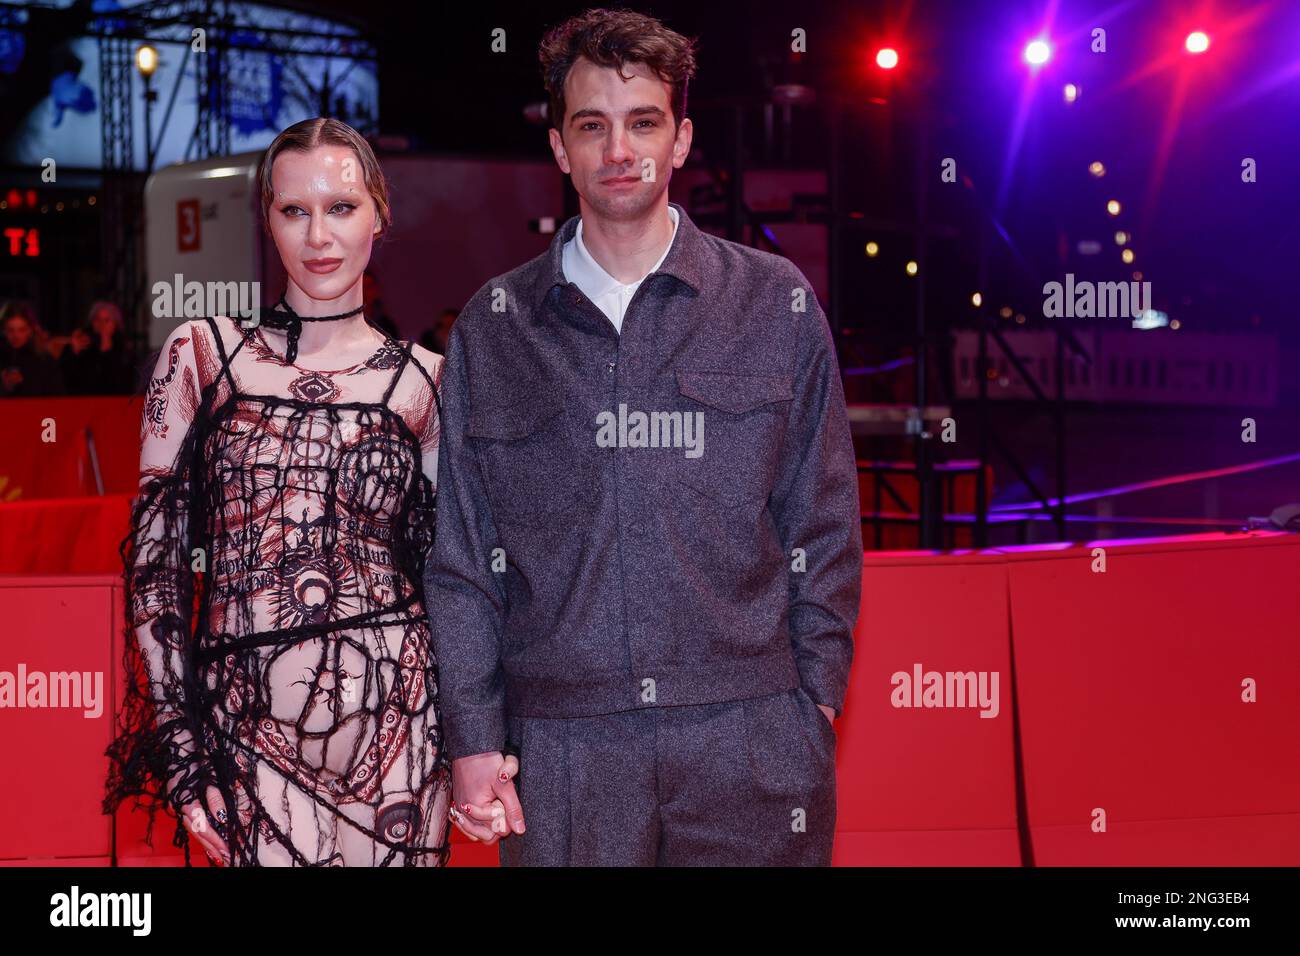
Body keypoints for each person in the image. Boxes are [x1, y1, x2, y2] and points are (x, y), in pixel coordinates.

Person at [425, 8, 863, 866]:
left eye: (643, 123)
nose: (618, 150)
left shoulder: (774, 304)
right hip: (562, 750)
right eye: (591, 125)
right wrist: (474, 737)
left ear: (683, 138)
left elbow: (824, 521)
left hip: (751, 738)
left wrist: (812, 701)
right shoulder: (495, 325)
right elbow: (464, 557)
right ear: (559, 148)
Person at [103, 117, 514, 867]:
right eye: (295, 210)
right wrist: (183, 750)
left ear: (379, 216)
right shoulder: (202, 356)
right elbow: (156, 570)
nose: (318, 235)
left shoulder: (427, 380)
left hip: (400, 727)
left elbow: (456, 577)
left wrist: (482, 742)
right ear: (268, 219)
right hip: (244, 728)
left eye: (341, 207)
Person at [60, 300, 135, 395]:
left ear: (115, 325)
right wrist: (73, 352)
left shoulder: (124, 352)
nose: (101, 325)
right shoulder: (84, 346)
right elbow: (69, 380)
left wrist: (106, 352)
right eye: (97, 320)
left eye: (106, 320)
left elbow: (123, 385)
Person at [1, 303, 64, 396]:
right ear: (4, 331)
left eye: (22, 330)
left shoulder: (44, 360)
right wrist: (4, 386)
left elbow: (58, 396)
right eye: (11, 330)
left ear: (30, 331)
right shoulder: (3, 357)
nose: (16, 336)